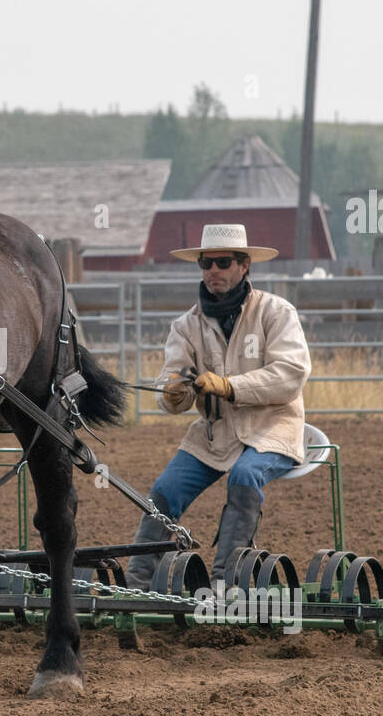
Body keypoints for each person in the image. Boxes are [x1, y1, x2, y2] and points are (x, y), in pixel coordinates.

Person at [126, 224, 312, 591]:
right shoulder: (185, 326)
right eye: (205, 263)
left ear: (244, 266)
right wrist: (174, 394)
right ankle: (136, 586)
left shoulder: (276, 312)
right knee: (164, 490)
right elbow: (168, 386)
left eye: (222, 262)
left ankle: (226, 583)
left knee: (245, 476)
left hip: (272, 430)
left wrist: (230, 387)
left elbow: (291, 374)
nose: (213, 270)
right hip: (215, 437)